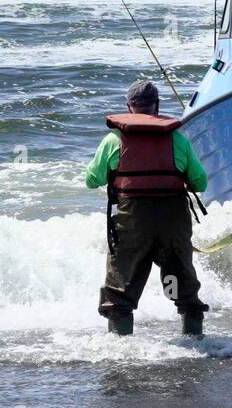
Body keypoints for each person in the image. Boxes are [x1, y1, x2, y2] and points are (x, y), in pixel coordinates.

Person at [84, 80, 209, 336]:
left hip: (132, 223)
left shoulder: (113, 140)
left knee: (120, 289)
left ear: (129, 107)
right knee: (182, 284)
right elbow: (200, 182)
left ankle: (120, 352)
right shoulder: (178, 139)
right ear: (157, 106)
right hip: (173, 222)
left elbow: (92, 180)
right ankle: (196, 344)